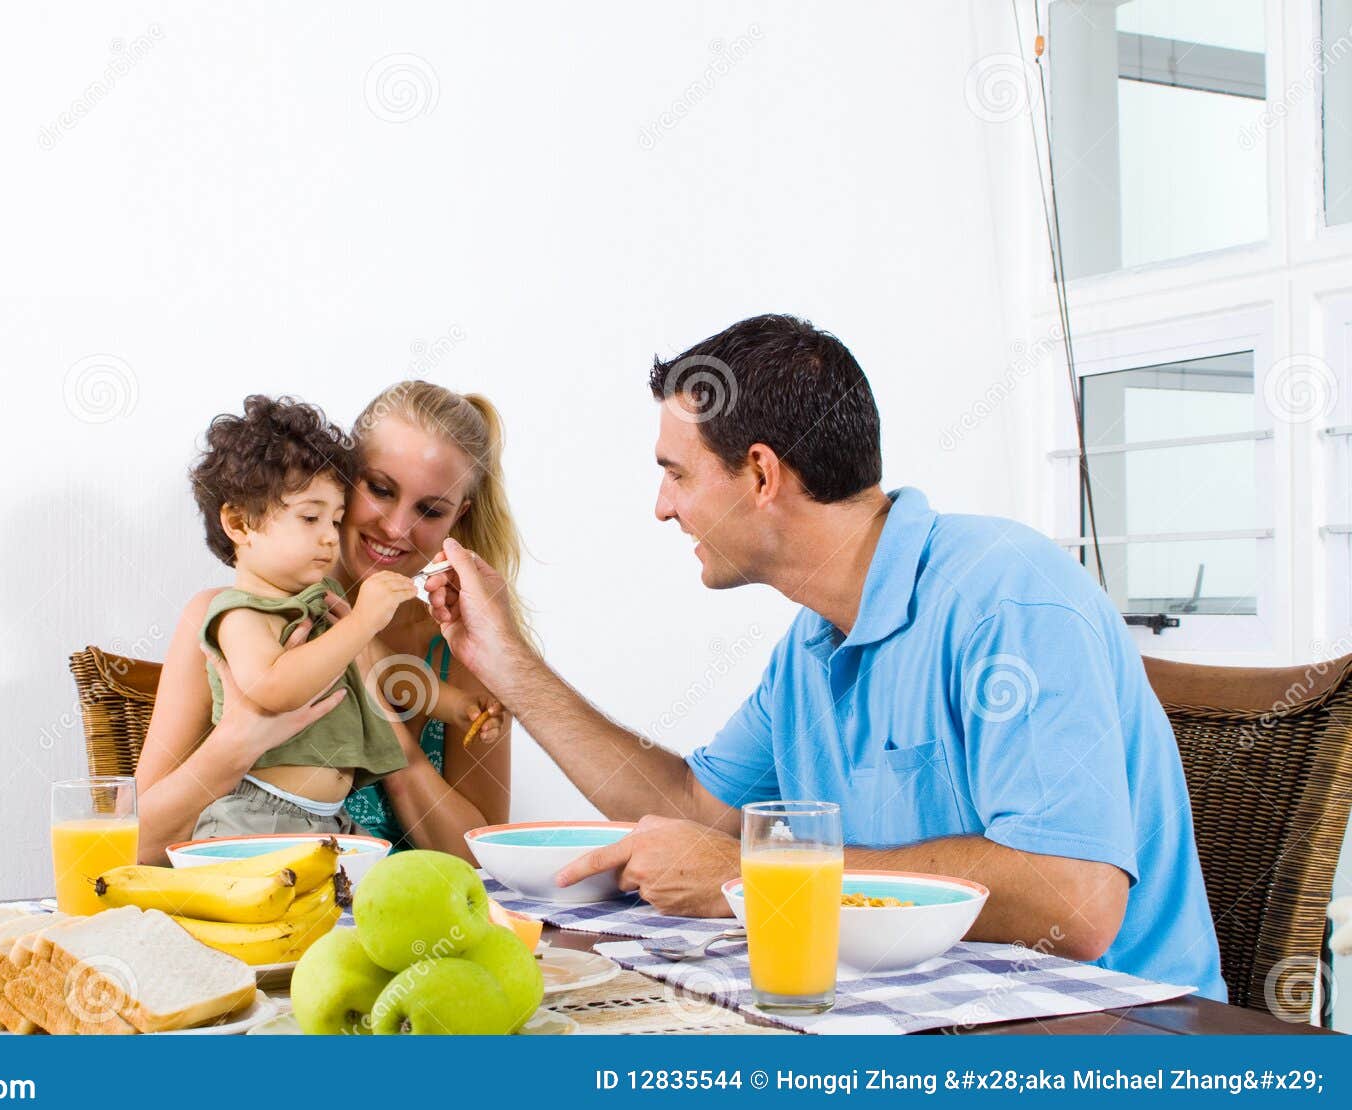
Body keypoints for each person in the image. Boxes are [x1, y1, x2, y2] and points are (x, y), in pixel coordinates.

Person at [426, 314, 1226, 999]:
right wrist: (506, 662)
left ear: (762, 474)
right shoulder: (812, 645)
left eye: (676, 472)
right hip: (921, 1013)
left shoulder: (1007, 597)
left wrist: (755, 879)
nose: (662, 505)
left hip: (1106, 1031)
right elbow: (695, 813)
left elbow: (1075, 904)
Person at [136, 381, 528, 864]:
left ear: (457, 518)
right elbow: (133, 844)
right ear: (339, 478)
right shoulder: (228, 619)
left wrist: (395, 726)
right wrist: (237, 743)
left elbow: (485, 863)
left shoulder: (464, 645)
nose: (396, 527)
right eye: (381, 490)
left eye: (430, 509)